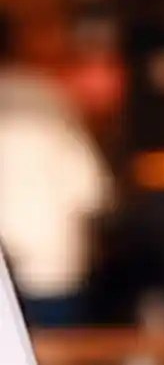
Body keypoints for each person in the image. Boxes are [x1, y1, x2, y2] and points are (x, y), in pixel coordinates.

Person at [0, 17, 110, 327]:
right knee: (55, 353)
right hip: (51, 266)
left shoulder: (49, 98)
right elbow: (91, 190)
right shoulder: (50, 98)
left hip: (41, 265)